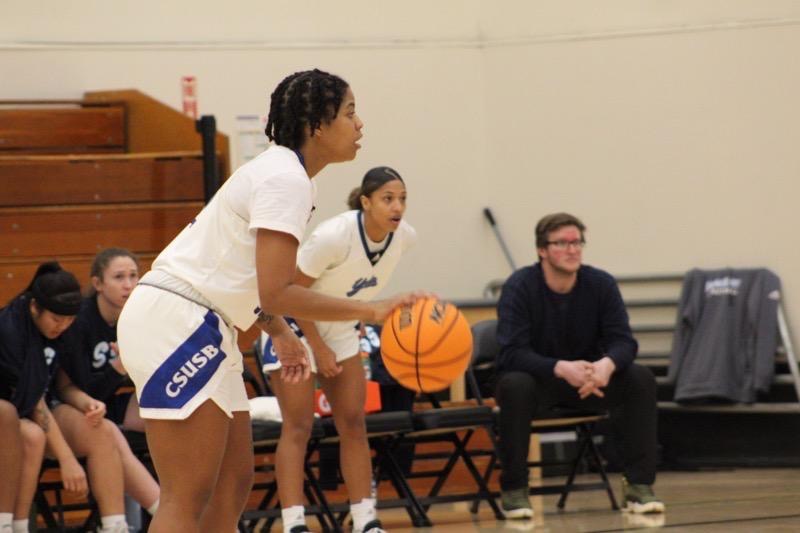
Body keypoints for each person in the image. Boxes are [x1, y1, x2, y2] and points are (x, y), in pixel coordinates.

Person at [117, 69, 419, 533]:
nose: (360, 125)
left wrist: (280, 331)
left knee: (233, 481)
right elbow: (276, 289)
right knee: (188, 494)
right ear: (318, 124)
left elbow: (254, 278)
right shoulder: (285, 179)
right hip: (177, 321)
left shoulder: (287, 174)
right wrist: (371, 310)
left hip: (205, 322)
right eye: (350, 113)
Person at [263, 166, 415, 533]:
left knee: (353, 423)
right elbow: (290, 295)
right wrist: (317, 346)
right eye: (388, 199)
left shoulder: (405, 237)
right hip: (294, 327)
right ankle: (294, 523)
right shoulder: (334, 236)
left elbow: (355, 291)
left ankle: (366, 520)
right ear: (365, 202)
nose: (397, 207)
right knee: (297, 425)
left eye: (403, 199)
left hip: (342, 328)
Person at [494, 213, 663, 519]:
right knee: (514, 384)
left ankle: (639, 486)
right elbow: (511, 352)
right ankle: (515, 490)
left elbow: (625, 342)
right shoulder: (520, 286)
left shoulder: (600, 284)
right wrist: (560, 367)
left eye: (577, 242)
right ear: (542, 250)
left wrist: (606, 366)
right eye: (562, 243)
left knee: (639, 378)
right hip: (542, 383)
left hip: (590, 383)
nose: (572, 250)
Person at [0, 262, 130, 533]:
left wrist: (86, 402)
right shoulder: (11, 328)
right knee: (23, 428)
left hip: (32, 411)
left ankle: (115, 526)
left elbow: (64, 384)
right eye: (57, 320)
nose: (63, 326)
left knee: (99, 428)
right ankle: (8, 524)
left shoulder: (64, 327)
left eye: (69, 320)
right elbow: (33, 400)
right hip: (13, 411)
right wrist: (67, 458)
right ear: (35, 307)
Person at [59, 248, 160, 517]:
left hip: (111, 403)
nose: (128, 285)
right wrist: (118, 367)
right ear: (97, 284)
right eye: (118, 277)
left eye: (133, 276)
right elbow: (81, 389)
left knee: (168, 411)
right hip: (80, 406)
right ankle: (163, 510)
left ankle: (192, 502)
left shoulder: (138, 317)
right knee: (111, 434)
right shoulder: (79, 321)